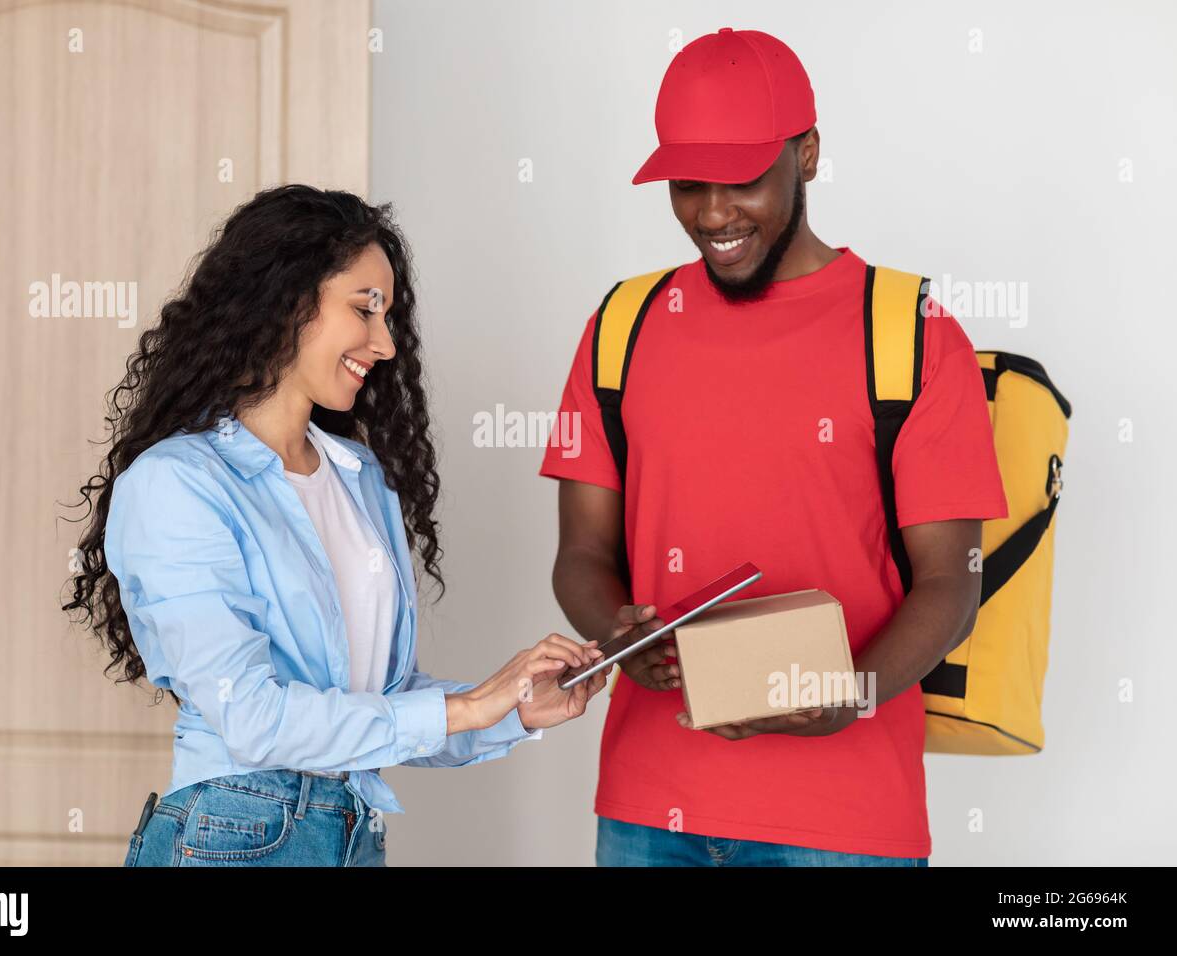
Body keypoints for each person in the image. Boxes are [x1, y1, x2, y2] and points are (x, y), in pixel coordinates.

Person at [539, 28, 1008, 867]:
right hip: (649, 811)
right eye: (688, 184)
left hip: (843, 826)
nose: (712, 214)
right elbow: (580, 552)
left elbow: (951, 582)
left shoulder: (910, 333)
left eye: (743, 179)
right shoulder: (623, 326)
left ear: (810, 154)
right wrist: (617, 633)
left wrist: (850, 697)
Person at [65, 184, 608, 867]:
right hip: (235, 835)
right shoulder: (177, 483)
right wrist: (467, 709)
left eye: (389, 316)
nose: (384, 343)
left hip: (350, 833)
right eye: (364, 310)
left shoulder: (358, 478)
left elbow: (377, 706)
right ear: (287, 301)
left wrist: (509, 706)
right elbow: (253, 719)